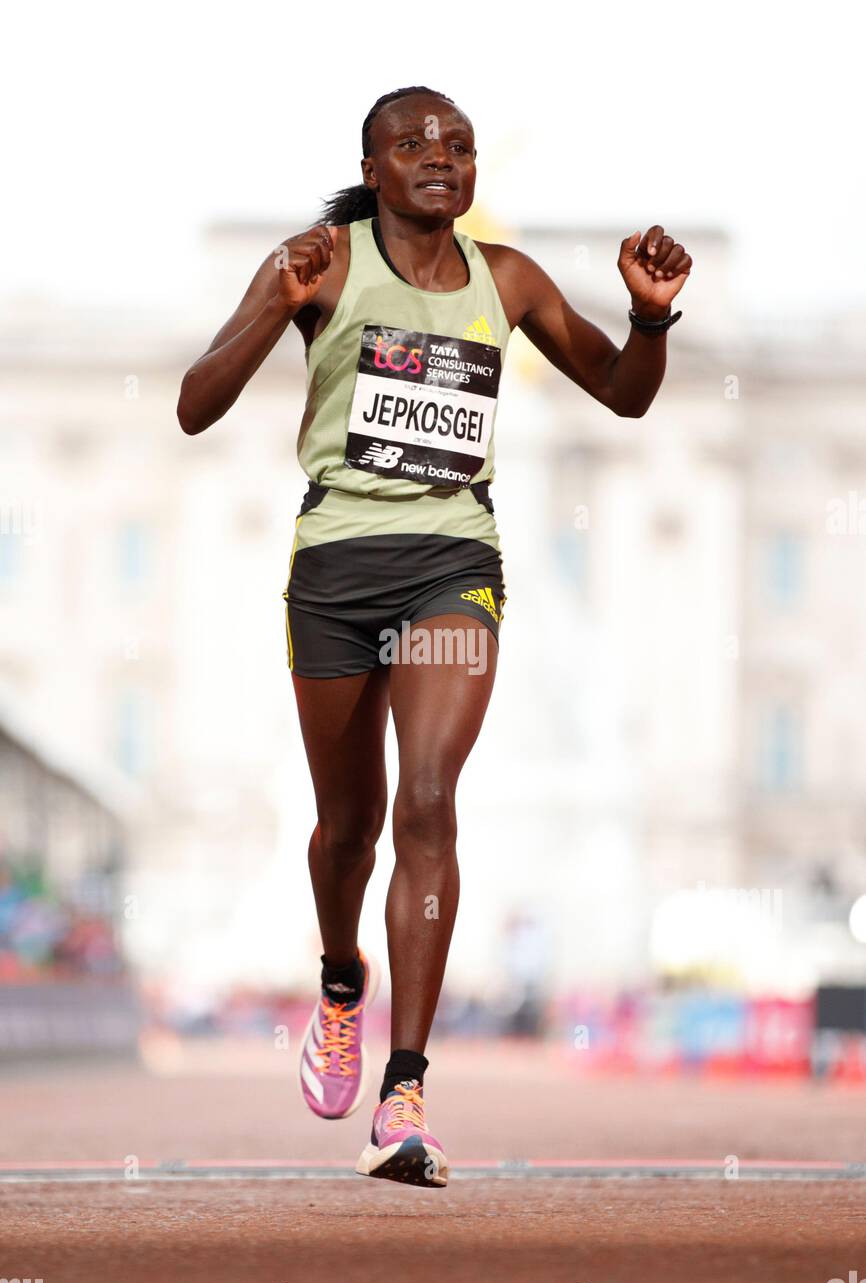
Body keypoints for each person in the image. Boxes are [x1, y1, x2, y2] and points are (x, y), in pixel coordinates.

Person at [177, 85, 691, 1188]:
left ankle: (402, 1090)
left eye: (457, 144)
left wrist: (647, 319)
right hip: (334, 572)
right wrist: (276, 303)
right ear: (372, 168)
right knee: (345, 827)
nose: (441, 156)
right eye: (412, 143)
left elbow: (622, 395)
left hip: (453, 567)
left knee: (426, 802)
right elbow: (193, 403)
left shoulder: (505, 281)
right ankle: (338, 980)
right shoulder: (319, 261)